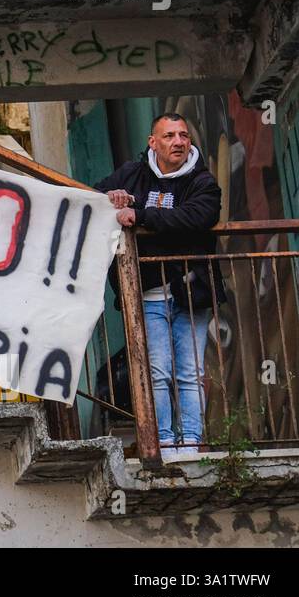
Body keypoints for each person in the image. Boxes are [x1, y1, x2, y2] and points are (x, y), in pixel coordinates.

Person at [95, 113, 225, 460]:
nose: (179, 142)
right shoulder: (131, 174)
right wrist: (113, 197)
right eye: (169, 136)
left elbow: (197, 217)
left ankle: (192, 441)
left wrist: (140, 214)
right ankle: (165, 442)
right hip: (147, 295)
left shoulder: (203, 181)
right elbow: (93, 197)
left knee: (190, 372)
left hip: (191, 290)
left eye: (183, 135)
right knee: (156, 372)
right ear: (153, 142)